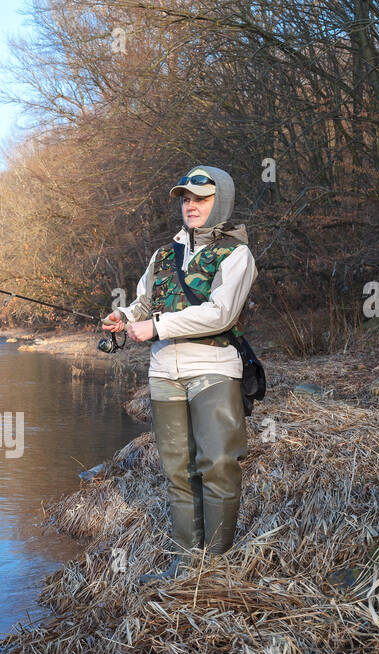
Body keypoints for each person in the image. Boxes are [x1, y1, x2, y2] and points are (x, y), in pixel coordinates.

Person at [103, 165, 256, 580]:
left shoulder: (236, 254)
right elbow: (143, 303)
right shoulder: (162, 255)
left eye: (200, 199)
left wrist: (155, 327)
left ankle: (218, 565)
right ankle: (186, 565)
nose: (191, 206)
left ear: (219, 202)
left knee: (218, 465)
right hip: (163, 374)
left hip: (214, 371)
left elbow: (220, 313)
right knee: (177, 470)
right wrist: (123, 316)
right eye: (186, 199)